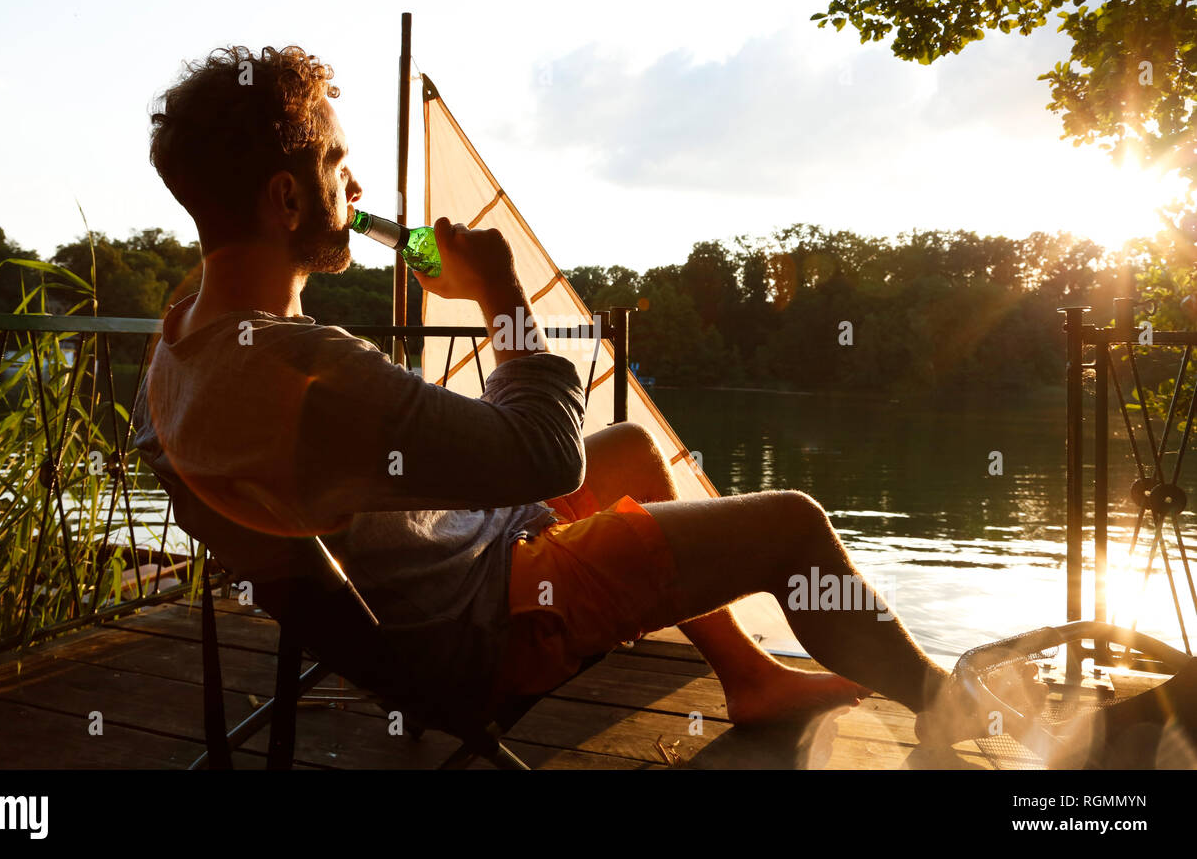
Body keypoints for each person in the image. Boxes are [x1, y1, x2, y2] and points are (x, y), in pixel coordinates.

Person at [131, 43, 1023, 750]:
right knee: (791, 525)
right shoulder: (309, 370)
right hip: (486, 621)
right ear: (288, 198)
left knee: (631, 452)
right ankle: (951, 708)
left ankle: (748, 674)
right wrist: (500, 297)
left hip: (420, 589)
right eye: (337, 164)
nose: (357, 191)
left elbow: (469, 461)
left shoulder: (182, 345)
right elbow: (543, 453)